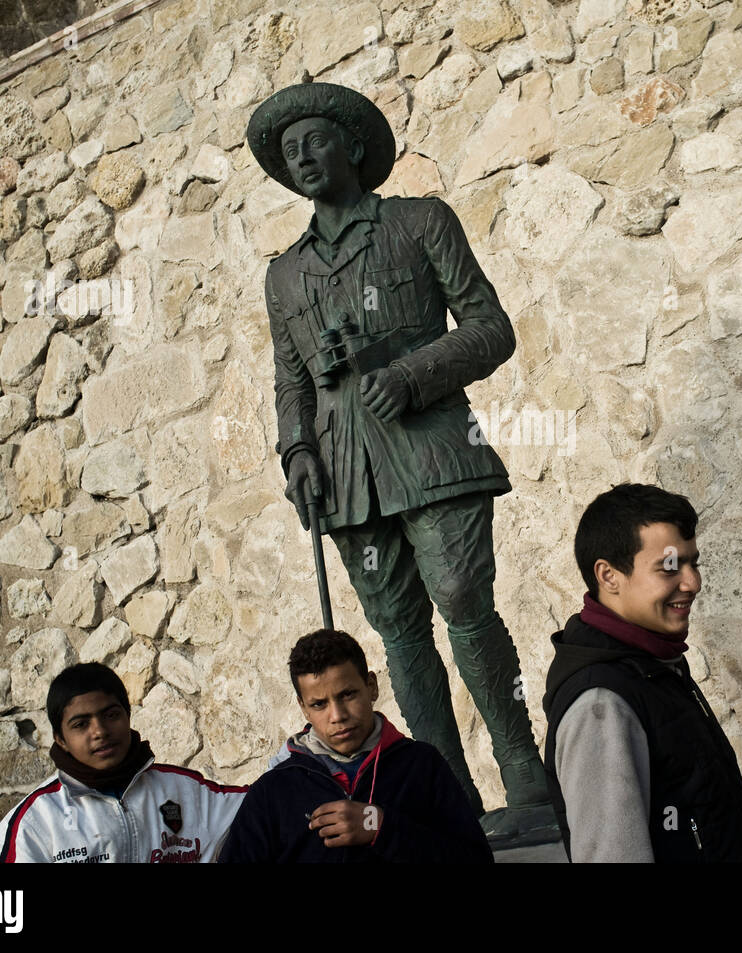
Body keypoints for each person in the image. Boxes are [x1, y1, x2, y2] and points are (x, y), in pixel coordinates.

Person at [245, 81, 549, 831]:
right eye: (290, 153)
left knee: (465, 603)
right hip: (348, 477)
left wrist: (413, 374)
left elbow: (491, 326)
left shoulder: (420, 222)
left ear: (351, 147)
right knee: (401, 635)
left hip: (434, 454)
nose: (304, 158)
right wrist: (296, 453)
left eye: (315, 141)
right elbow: (290, 382)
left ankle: (529, 780)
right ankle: (444, 803)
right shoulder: (284, 274)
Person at [541, 483, 742, 862]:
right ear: (609, 576)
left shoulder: (655, 663)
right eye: (669, 567)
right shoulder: (600, 704)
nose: (692, 582)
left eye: (693, 562)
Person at [218, 628, 493, 862]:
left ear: (371, 686)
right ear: (303, 708)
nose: (337, 716)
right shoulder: (274, 790)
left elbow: (475, 858)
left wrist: (381, 827)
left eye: (347, 694)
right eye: (319, 704)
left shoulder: (422, 765)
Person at [0, 662, 246, 863]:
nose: (100, 731)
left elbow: (266, 799)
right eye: (81, 724)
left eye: (111, 715)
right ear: (60, 739)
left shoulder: (186, 791)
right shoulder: (36, 821)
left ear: (128, 715)